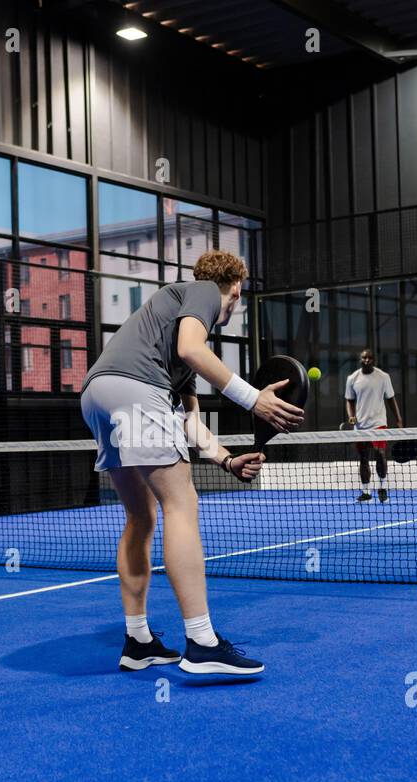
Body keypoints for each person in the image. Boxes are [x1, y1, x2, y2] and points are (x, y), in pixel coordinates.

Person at [80, 250, 303, 675]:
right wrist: (254, 399)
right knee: (181, 504)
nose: (234, 305)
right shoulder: (203, 293)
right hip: (133, 389)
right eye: (238, 296)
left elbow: (188, 421)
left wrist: (226, 460)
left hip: (97, 395)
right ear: (235, 290)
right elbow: (191, 346)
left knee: (141, 516)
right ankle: (202, 643)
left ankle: (138, 641)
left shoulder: (175, 350)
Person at [344, 348, 402, 502]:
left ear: (374, 360)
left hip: (379, 423)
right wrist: (351, 417)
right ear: (360, 360)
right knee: (363, 458)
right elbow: (349, 400)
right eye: (364, 358)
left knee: (380, 453)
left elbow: (391, 398)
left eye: (370, 358)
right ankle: (366, 492)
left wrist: (398, 419)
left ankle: (382, 488)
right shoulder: (352, 378)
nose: (367, 360)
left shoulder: (383, 377)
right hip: (361, 426)